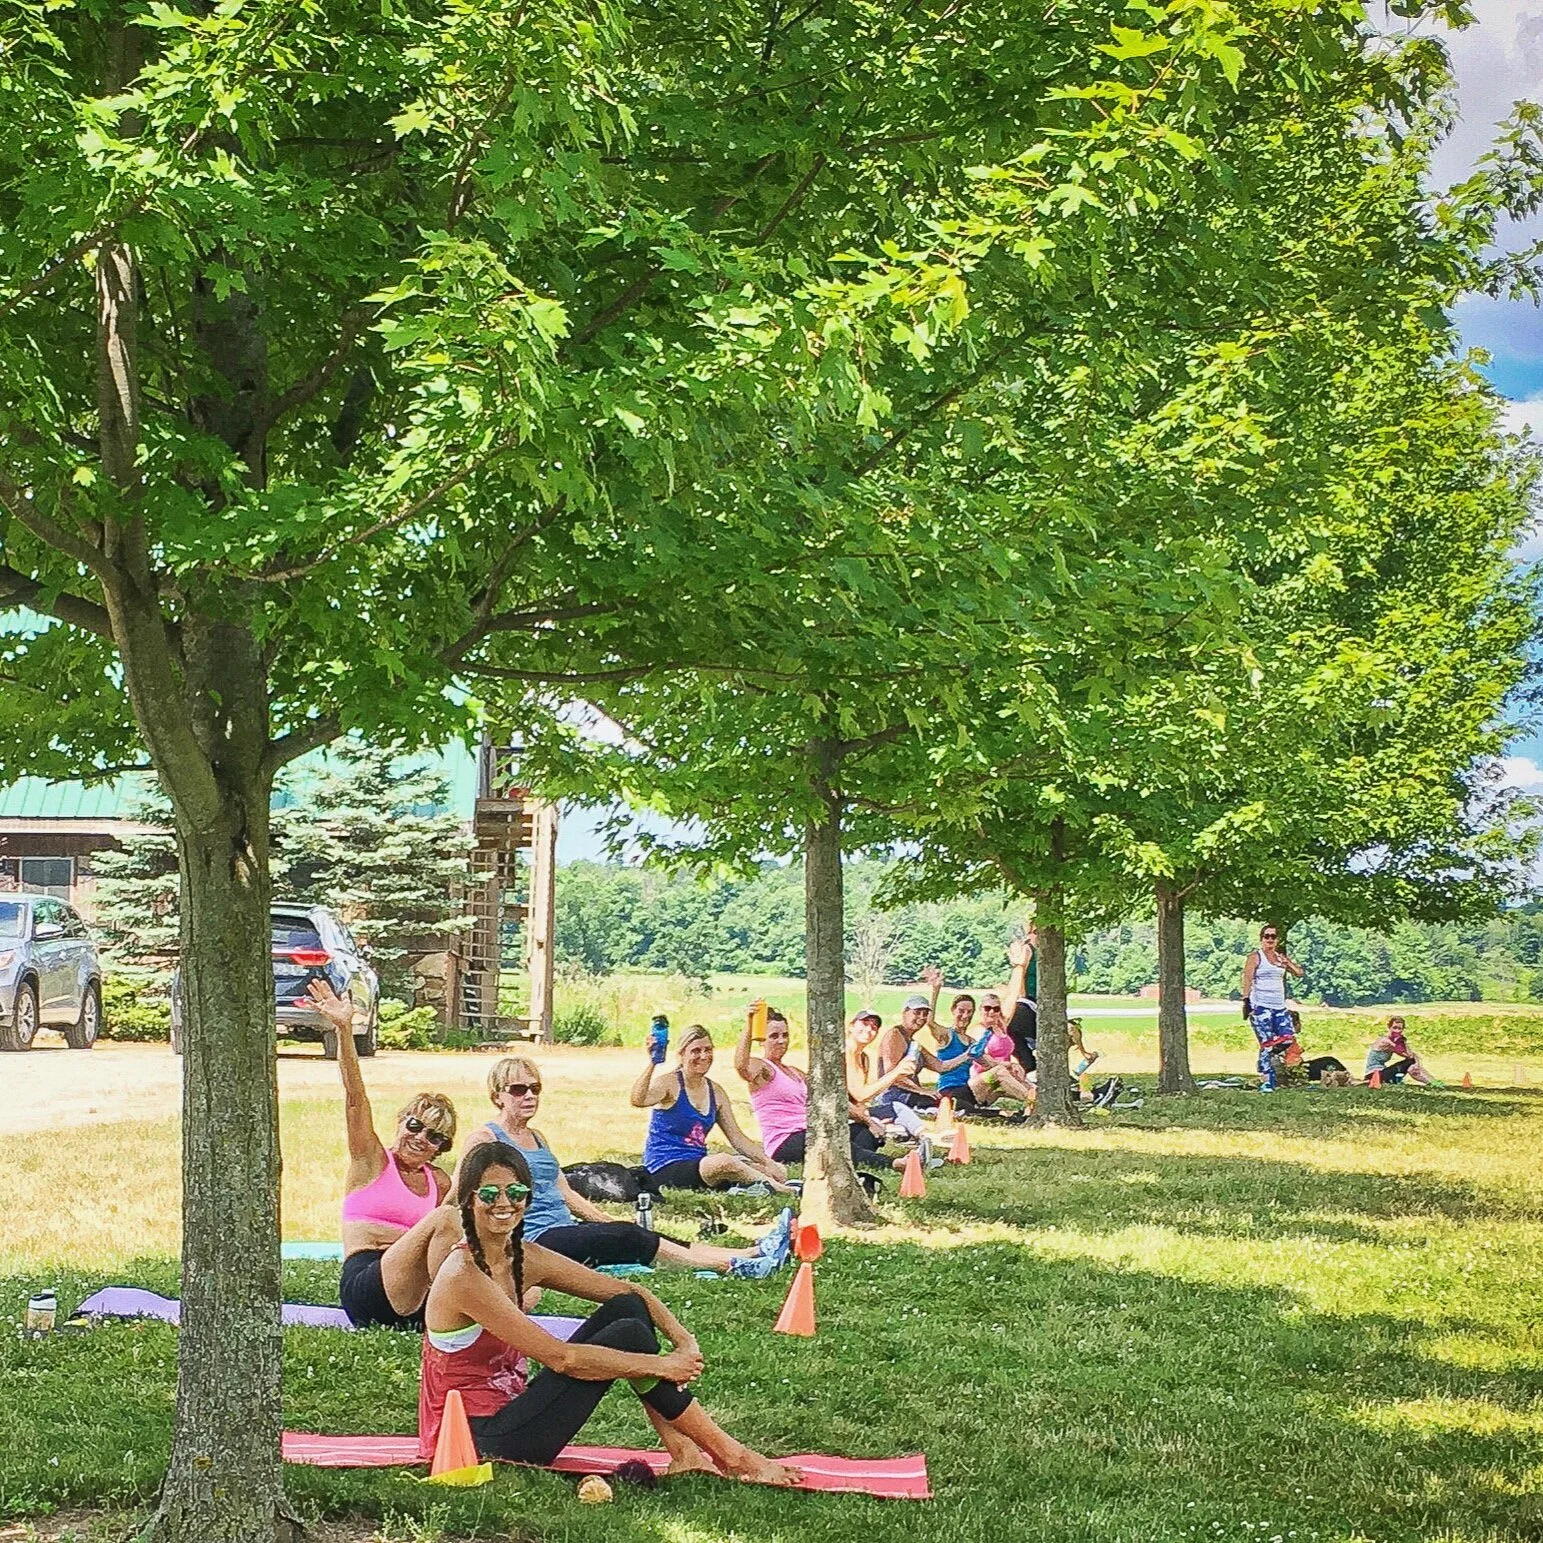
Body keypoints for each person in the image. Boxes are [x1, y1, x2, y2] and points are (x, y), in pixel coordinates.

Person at [420, 1141, 798, 1483]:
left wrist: (684, 1341)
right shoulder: (462, 1275)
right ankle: (733, 1456)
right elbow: (562, 1358)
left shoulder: (523, 1258)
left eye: (515, 1191)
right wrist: (661, 1366)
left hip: (513, 1412)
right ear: (468, 1200)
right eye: (489, 1193)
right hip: (476, 1440)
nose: (504, 1203)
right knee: (627, 1334)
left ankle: (686, 1452)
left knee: (627, 1309)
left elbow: (632, 1291)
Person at [458, 1057, 792, 1278]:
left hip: (562, 1229)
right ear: (497, 1095)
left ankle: (749, 1250)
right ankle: (733, 1266)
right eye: (519, 1089)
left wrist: (607, 1221)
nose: (529, 1095)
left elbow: (566, 1193)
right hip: (531, 1239)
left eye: (535, 1088)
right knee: (627, 1237)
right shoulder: (486, 1139)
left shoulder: (538, 1137)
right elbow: (458, 1198)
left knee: (636, 1232)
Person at [311, 980, 462, 1330]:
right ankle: (455, 1314)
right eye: (415, 1125)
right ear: (400, 1122)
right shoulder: (372, 1162)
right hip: (367, 1286)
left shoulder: (438, 1182)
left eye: (435, 1137)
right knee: (444, 1220)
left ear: (441, 1148)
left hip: (415, 1293)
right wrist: (344, 1030)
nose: (421, 1138)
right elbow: (354, 1098)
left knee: (520, 1277)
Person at [631, 1025, 795, 1192]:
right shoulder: (669, 1083)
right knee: (724, 1162)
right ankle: (782, 1190)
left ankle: (765, 1185)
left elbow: (737, 1138)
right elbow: (638, 1099)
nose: (703, 1056)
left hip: (699, 1166)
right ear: (681, 1054)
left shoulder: (716, 1091)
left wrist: (768, 1162)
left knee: (769, 1170)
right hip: (663, 1167)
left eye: (708, 1050)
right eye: (696, 1051)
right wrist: (653, 1062)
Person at [734, 1004, 889, 1171]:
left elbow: (831, 1099)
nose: (781, 1041)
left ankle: (854, 1163)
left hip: (812, 1131)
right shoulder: (762, 1068)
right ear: (761, 1041)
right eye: (773, 1036)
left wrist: (869, 1121)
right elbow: (742, 1066)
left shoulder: (796, 1072)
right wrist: (749, 1027)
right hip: (786, 1141)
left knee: (862, 1131)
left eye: (785, 1035)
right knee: (828, 1141)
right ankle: (891, 1163)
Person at [930, 992, 1034, 1115]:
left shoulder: (972, 1042)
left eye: (969, 1012)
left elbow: (988, 1062)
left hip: (972, 1091)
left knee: (1004, 1077)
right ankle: (1033, 1102)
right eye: (961, 1011)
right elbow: (929, 1021)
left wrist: (1011, 1065)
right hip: (951, 1092)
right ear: (953, 1010)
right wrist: (935, 989)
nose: (965, 1015)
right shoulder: (946, 1035)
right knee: (999, 1072)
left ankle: (1037, 1097)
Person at [1241, 924, 1305, 1093]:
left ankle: (1270, 1054)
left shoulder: (1280, 958)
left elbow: (1299, 973)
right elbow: (1247, 978)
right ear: (1261, 938)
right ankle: (1267, 1081)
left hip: (1279, 1006)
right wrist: (1246, 1001)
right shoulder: (1256, 957)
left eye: (1273, 937)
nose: (1270, 939)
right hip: (1261, 1006)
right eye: (1267, 936)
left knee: (1288, 1038)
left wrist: (1287, 962)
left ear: (1277, 940)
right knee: (1266, 1043)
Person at [1364, 1016, 1433, 1085]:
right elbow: (1409, 1056)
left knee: (1412, 1065)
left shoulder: (1395, 1041)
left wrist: (1417, 1064)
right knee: (1410, 1062)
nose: (1397, 1031)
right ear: (1389, 1027)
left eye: (1399, 1028)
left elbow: (1412, 1054)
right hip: (1374, 1075)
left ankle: (1433, 1082)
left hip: (1383, 1072)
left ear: (1402, 1030)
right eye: (1394, 1028)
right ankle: (1433, 1082)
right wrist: (1401, 1040)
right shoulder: (1386, 1041)